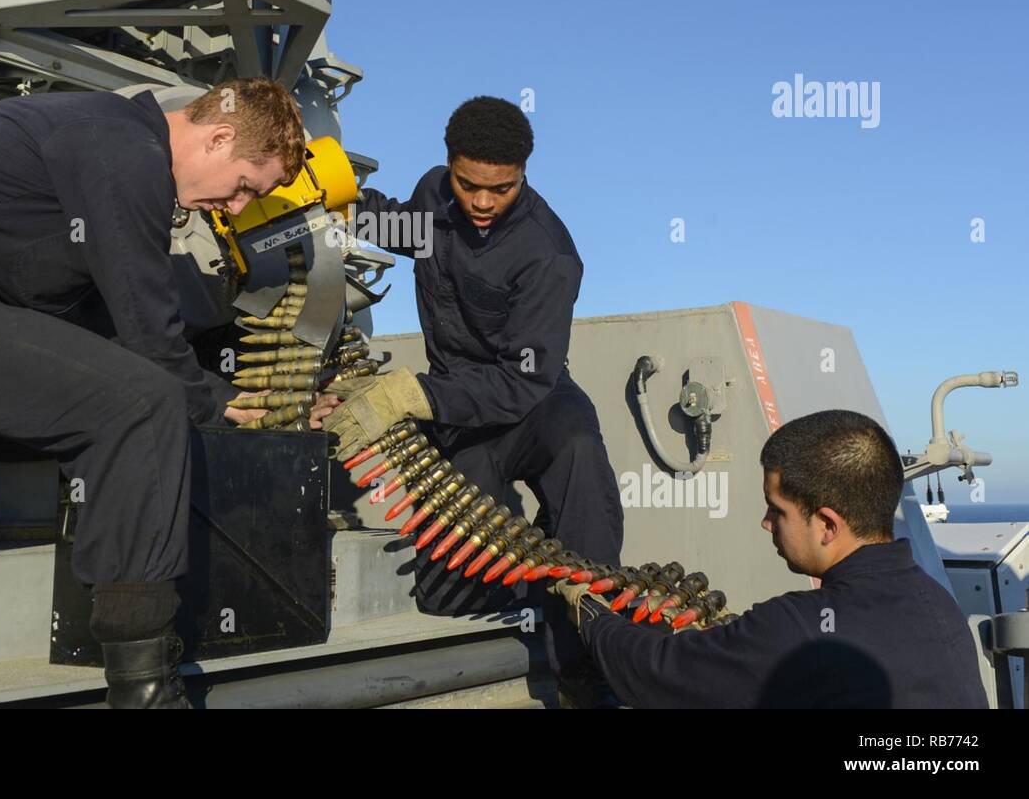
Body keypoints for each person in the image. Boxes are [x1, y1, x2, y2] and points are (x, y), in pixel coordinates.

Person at [0, 77, 320, 708]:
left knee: (97, 382)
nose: (236, 208)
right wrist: (209, 401)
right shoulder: (122, 144)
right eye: (244, 186)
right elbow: (149, 332)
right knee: (142, 400)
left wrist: (243, 395)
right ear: (219, 135)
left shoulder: (110, 138)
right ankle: (145, 682)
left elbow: (107, 330)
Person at [321, 95, 623, 707]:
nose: (483, 203)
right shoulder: (435, 195)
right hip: (459, 410)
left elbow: (522, 382)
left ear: (524, 174)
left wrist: (409, 393)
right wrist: (335, 193)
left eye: (501, 189)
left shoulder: (549, 254)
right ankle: (532, 582)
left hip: (537, 401)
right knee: (448, 593)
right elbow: (400, 229)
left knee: (584, 488)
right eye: (469, 185)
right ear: (449, 166)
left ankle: (584, 674)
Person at [554, 409, 988, 709]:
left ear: (827, 525)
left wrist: (591, 613)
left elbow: (657, 672)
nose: (766, 523)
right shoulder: (937, 601)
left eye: (777, 509)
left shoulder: (797, 629)